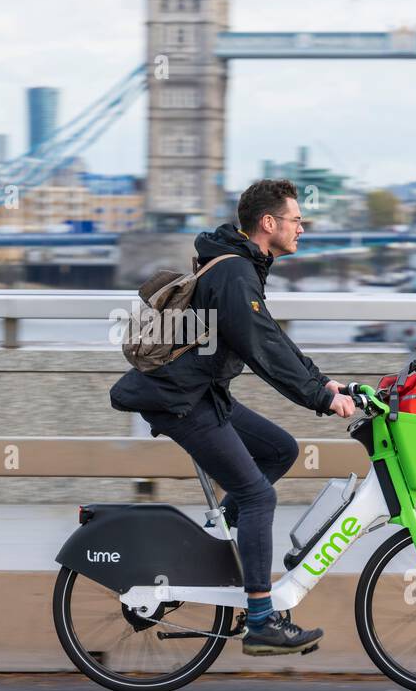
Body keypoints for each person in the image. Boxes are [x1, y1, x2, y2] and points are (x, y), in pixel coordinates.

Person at [110, 178, 355, 655]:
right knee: (257, 496)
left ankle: (214, 548)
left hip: (203, 393)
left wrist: (324, 383)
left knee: (280, 451)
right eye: (296, 219)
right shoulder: (236, 274)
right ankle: (261, 620)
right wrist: (319, 399)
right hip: (183, 399)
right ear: (269, 223)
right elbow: (261, 349)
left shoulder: (240, 267)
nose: (302, 228)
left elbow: (270, 337)